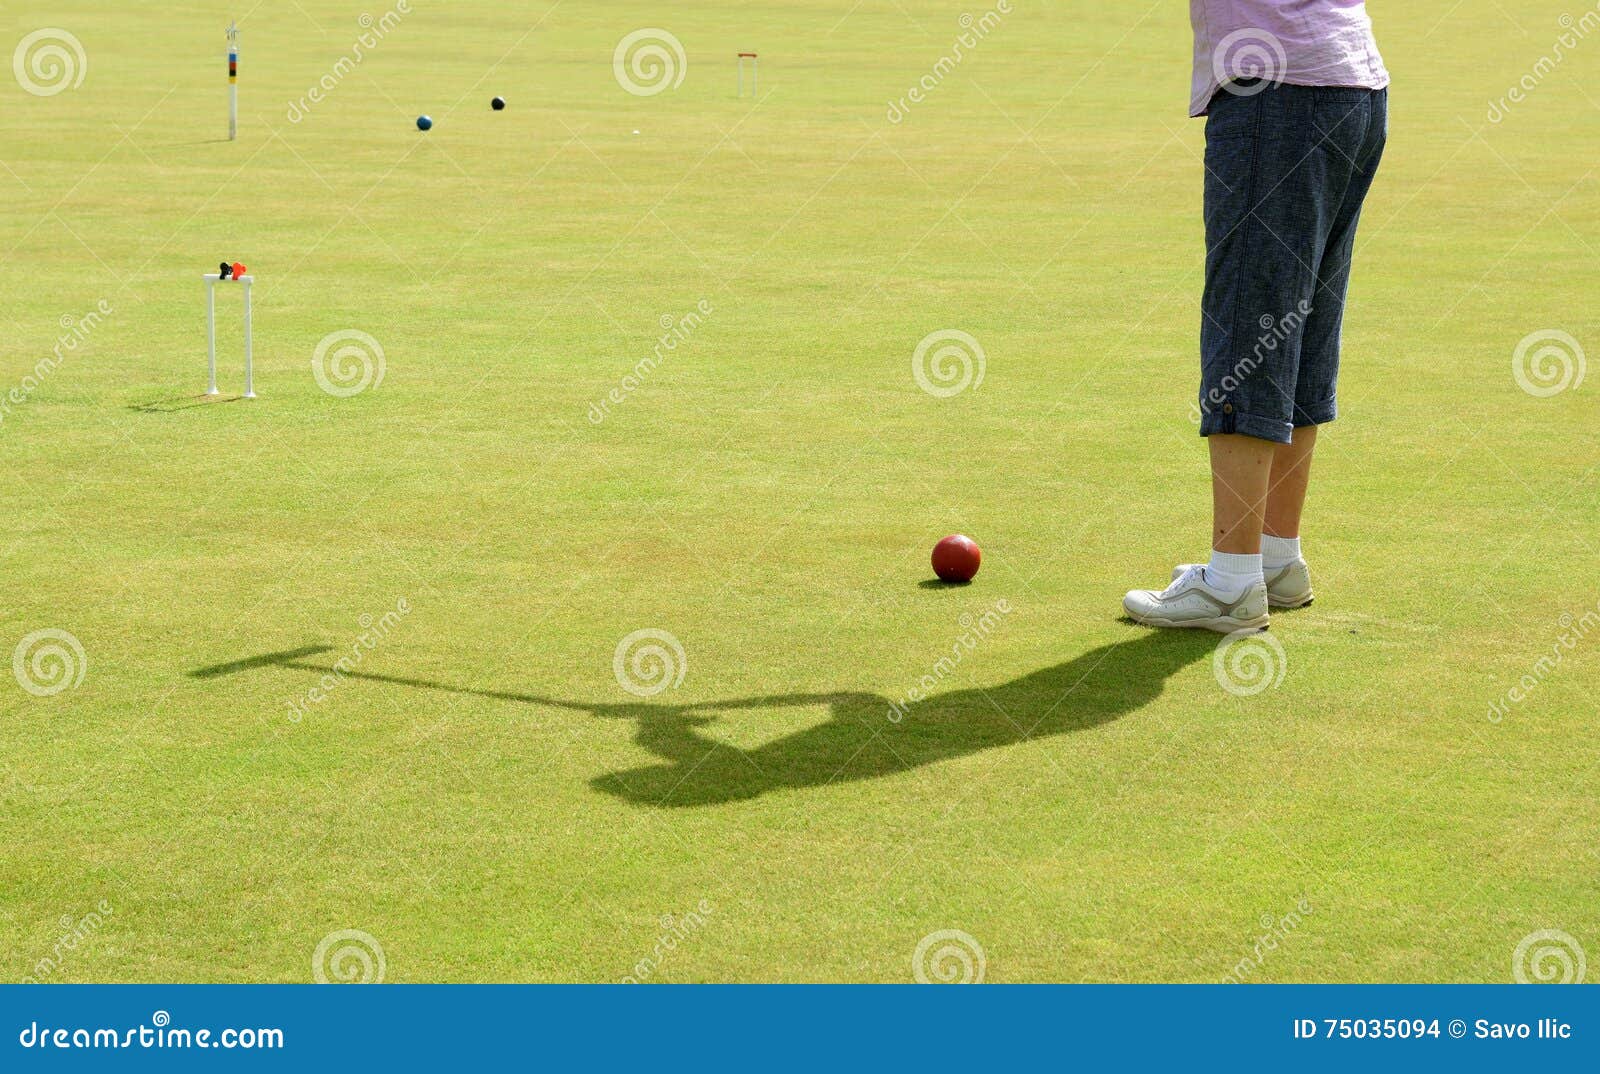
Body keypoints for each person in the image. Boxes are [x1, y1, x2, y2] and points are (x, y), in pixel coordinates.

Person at [1124, 0, 1390, 632]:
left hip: (1278, 94)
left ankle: (1233, 581)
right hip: (1352, 84)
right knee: (1299, 322)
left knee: (1250, 323)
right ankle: (1273, 560)